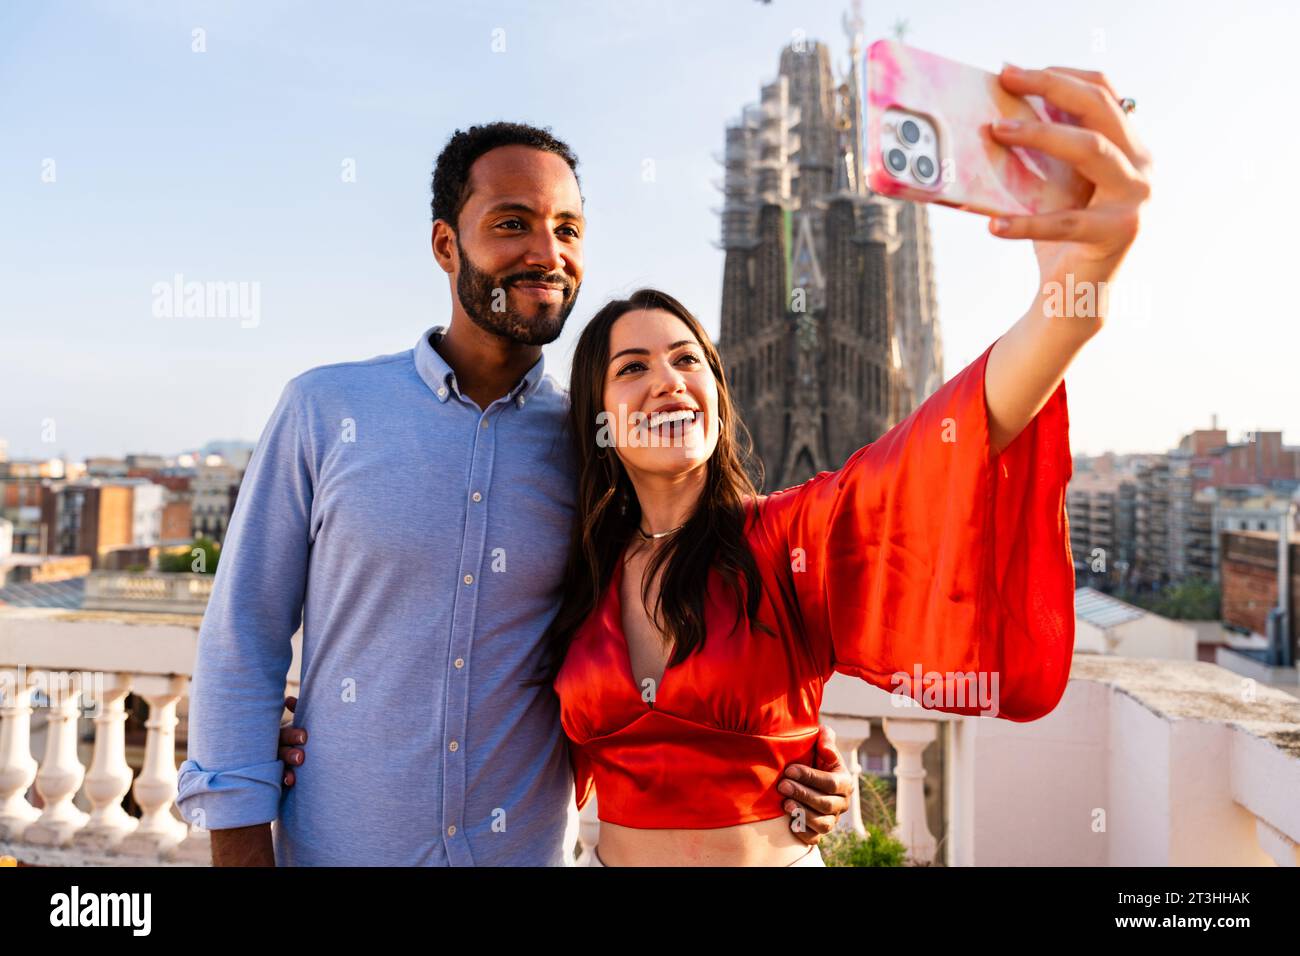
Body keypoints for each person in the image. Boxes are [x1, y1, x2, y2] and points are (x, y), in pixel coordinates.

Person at [281, 64, 1152, 867]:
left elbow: (953, 437)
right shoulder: (578, 573)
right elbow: (470, 668)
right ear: (594, 422)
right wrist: (318, 726)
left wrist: (1077, 287)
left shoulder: (785, 539)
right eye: (632, 368)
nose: (666, 382)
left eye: (688, 360)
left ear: (720, 394)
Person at [176, 121, 853, 867]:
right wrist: (239, 833)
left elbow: (691, 598)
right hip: (342, 845)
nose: (547, 252)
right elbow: (244, 633)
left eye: (568, 228)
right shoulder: (325, 409)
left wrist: (797, 754)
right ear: (444, 245)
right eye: (511, 224)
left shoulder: (598, 446)